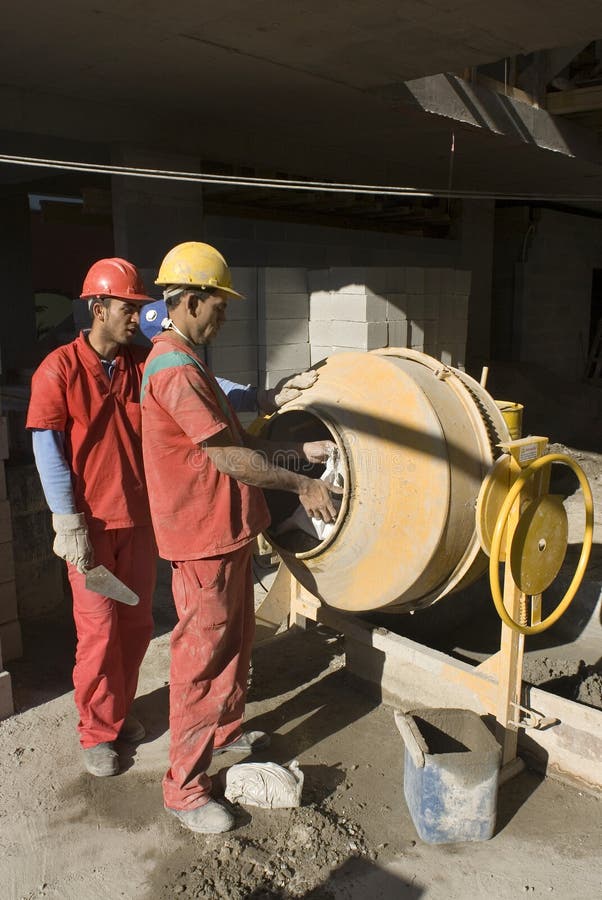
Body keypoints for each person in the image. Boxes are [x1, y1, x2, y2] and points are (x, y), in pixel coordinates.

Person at [141, 241, 340, 835]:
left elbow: (240, 444)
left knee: (232, 654)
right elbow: (227, 457)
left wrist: (298, 452)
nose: (223, 316)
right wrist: (302, 485)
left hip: (224, 534)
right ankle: (184, 789)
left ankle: (222, 743)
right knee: (201, 664)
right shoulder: (174, 369)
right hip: (201, 539)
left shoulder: (192, 362)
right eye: (219, 306)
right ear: (191, 300)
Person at [26, 258, 157, 777]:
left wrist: (258, 395)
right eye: (128, 307)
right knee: (99, 632)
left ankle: (117, 712)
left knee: (137, 624)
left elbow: (198, 386)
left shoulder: (139, 365)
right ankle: (96, 732)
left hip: (138, 521)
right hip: (92, 529)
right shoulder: (57, 369)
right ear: (97, 307)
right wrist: (68, 521)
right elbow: (48, 451)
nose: (136, 318)